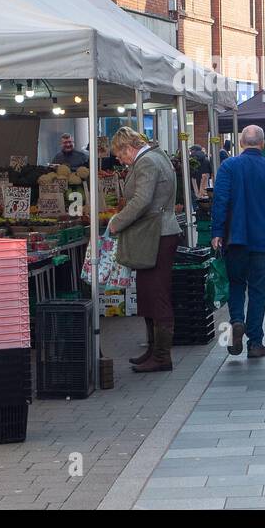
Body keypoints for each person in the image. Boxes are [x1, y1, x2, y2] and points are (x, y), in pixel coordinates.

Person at [212, 125, 265, 358]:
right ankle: (255, 343)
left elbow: (221, 201)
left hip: (234, 240)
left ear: (240, 143)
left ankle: (237, 320)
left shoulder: (228, 166)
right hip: (263, 242)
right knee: (258, 290)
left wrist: (217, 232)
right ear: (262, 144)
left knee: (236, 285)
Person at [105, 126, 181, 373]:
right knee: (149, 293)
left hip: (156, 234)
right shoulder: (158, 156)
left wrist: (116, 222)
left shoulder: (147, 162)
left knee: (156, 294)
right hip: (157, 233)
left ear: (128, 147)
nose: (120, 159)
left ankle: (161, 356)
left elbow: (141, 200)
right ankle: (153, 349)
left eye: (120, 154)